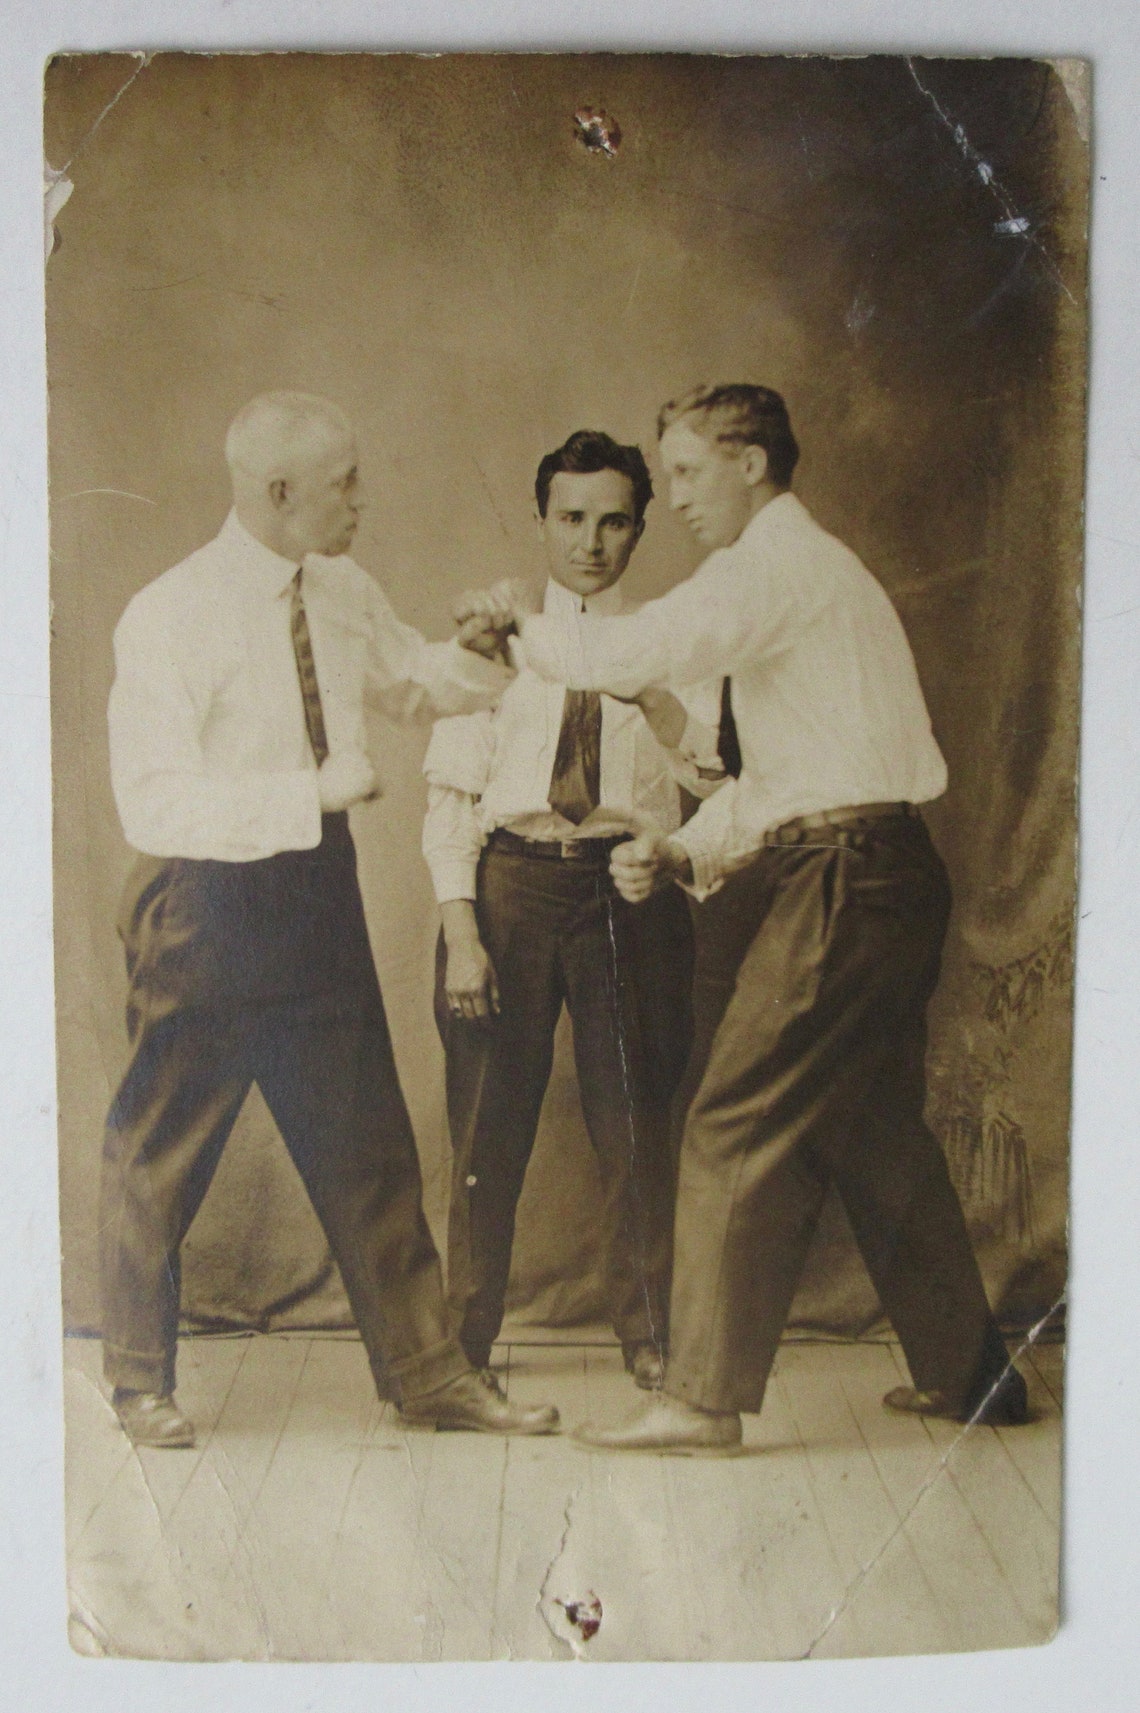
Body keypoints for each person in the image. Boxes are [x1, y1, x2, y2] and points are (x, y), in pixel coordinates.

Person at [466, 383, 1027, 1452]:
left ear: (753, 464)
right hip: (880, 865)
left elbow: (630, 653)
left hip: (847, 878)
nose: (673, 499)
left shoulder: (775, 565)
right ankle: (975, 1379)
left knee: (728, 1120)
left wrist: (519, 628)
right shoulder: (812, 579)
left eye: (684, 473)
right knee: (873, 1134)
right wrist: (684, 847)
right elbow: (790, 780)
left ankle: (699, 1400)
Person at [100, 391, 559, 1448]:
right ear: (277, 494)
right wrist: (311, 790)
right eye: (344, 482)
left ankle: (429, 1377)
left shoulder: (341, 588)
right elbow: (154, 803)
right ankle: (137, 1384)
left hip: (314, 895)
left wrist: (482, 648)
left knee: (369, 1149)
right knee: (159, 1148)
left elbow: (413, 685)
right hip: (203, 904)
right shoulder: (167, 612)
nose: (363, 497)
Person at [423, 430, 724, 1389]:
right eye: (572, 519)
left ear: (638, 530)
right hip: (510, 886)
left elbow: (718, 783)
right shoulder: (497, 647)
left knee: (635, 1119)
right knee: (485, 1125)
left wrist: (664, 844)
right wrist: (463, 934)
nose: (591, 541)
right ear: (544, 521)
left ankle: (648, 1339)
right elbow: (453, 800)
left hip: (627, 892)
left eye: (614, 521)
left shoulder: (677, 647)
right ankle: (464, 1345)